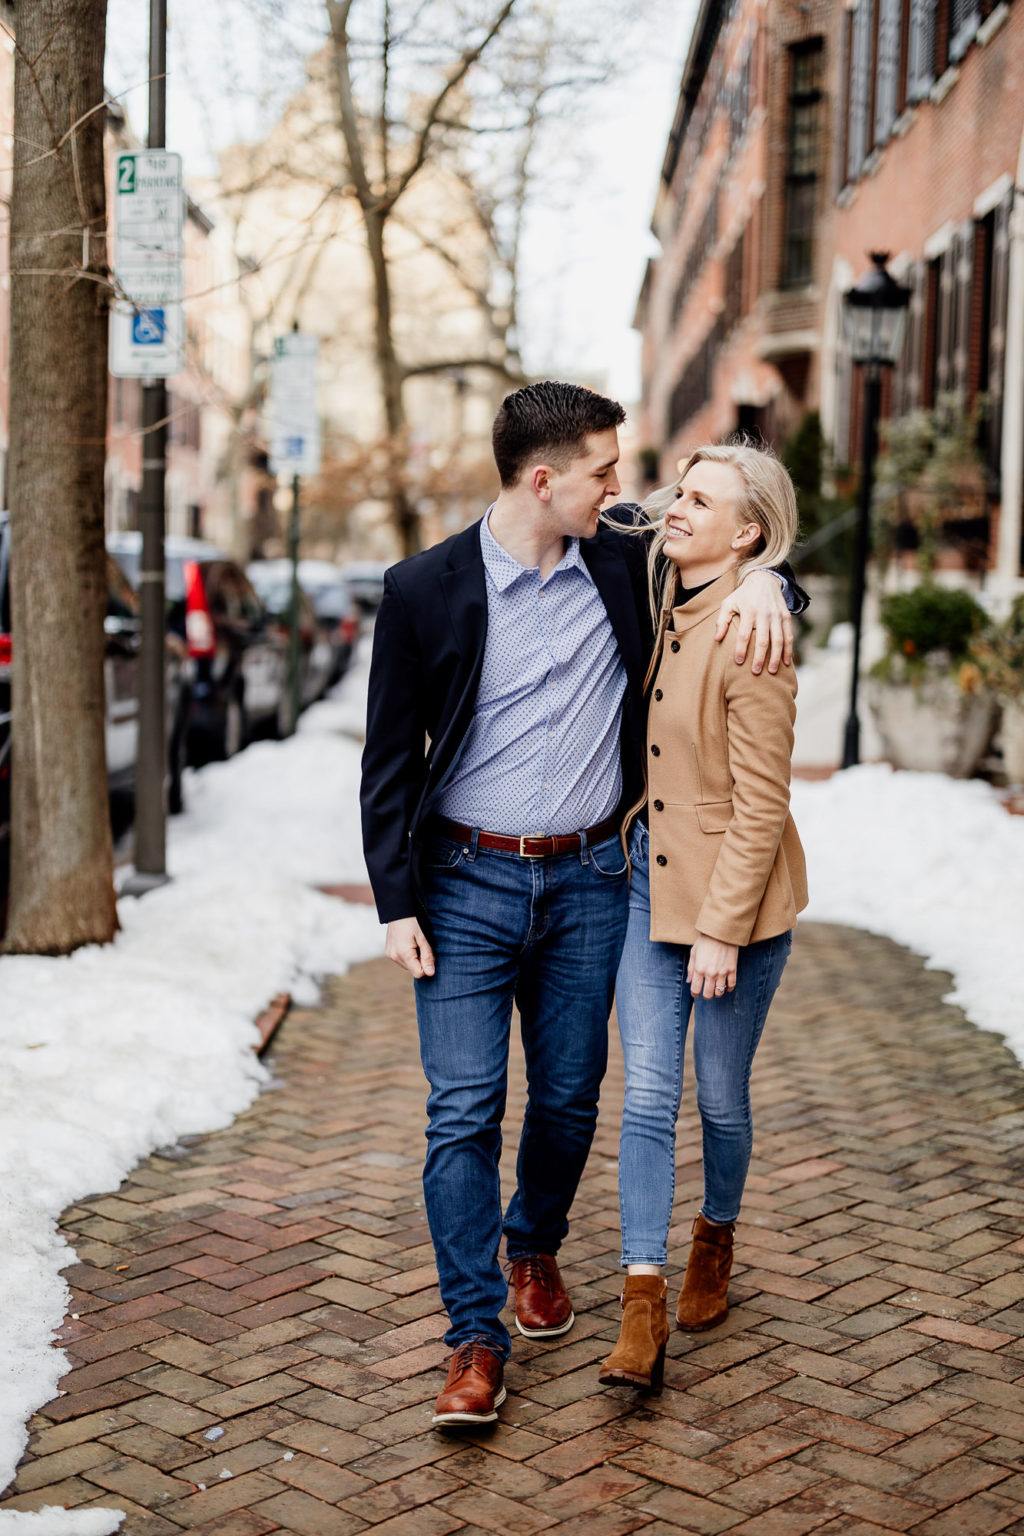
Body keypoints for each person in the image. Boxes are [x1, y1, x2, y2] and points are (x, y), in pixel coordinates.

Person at [360, 384, 804, 1429]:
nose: (627, 489)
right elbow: (388, 757)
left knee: (568, 1096)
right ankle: (473, 1337)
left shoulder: (621, 557)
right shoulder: (422, 589)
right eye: (606, 471)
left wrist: (772, 588)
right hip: (463, 881)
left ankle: (534, 1246)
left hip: (596, 879)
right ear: (544, 478)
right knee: (463, 1107)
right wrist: (395, 897)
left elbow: (738, 558)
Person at [598, 443, 809, 1395]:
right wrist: (772, 573)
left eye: (702, 500)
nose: (675, 509)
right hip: (650, 881)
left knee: (719, 1098)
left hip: (739, 902)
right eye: (678, 494)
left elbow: (764, 807)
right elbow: (621, 510)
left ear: (749, 530)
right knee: (646, 1097)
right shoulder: (661, 587)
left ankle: (714, 1235)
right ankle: (641, 1302)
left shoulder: (755, 635)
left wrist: (721, 929)